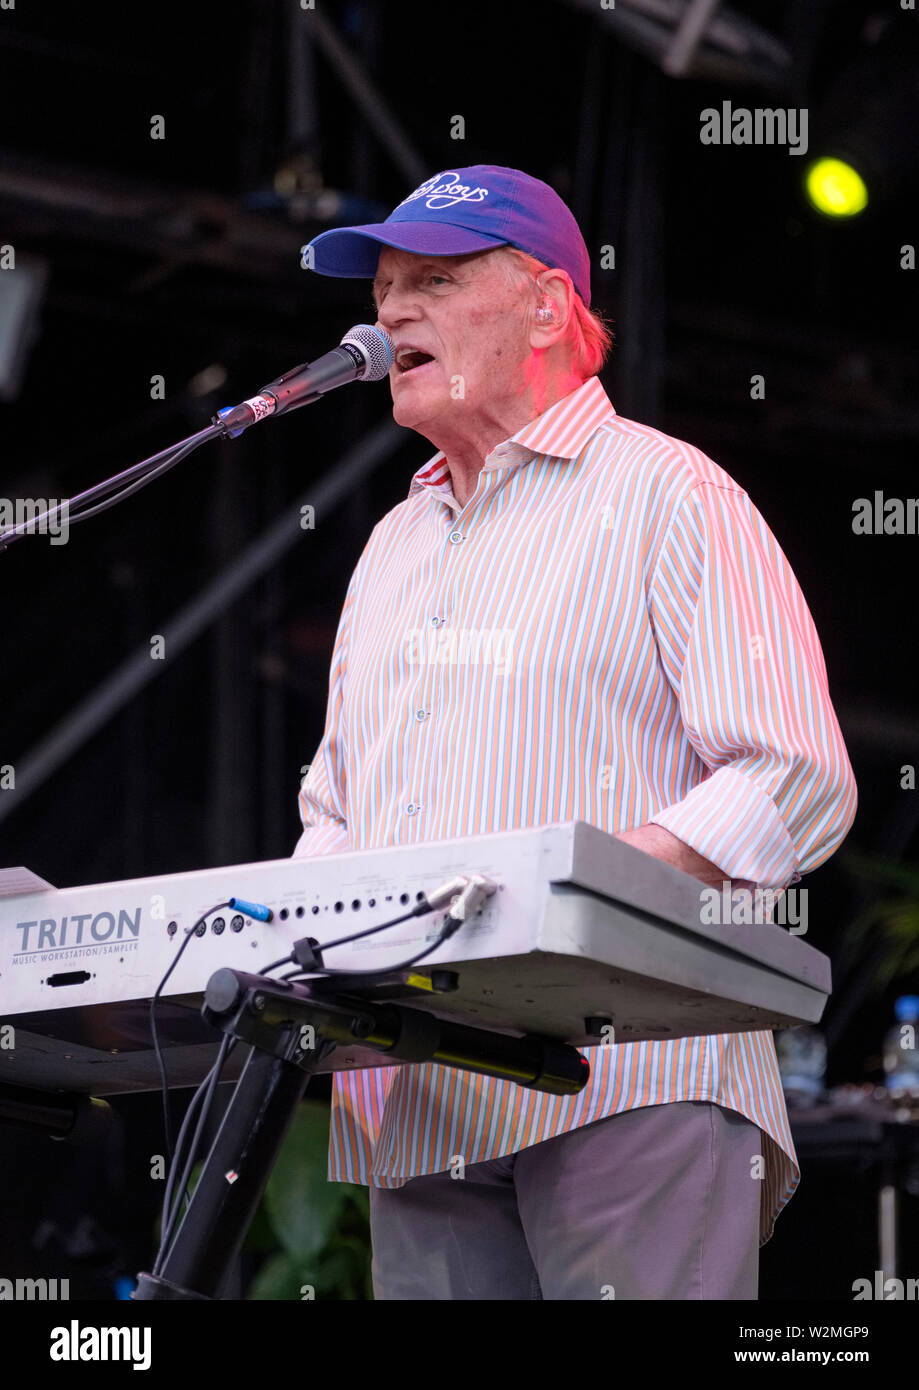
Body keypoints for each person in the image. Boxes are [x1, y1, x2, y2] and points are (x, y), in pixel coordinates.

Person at [292, 165, 857, 1300]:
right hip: (423, 1098)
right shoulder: (392, 544)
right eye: (385, 287)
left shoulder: (670, 492)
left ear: (548, 307)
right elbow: (334, 809)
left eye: (434, 281)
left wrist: (564, 905)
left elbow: (793, 773)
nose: (390, 310)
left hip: (632, 1071)